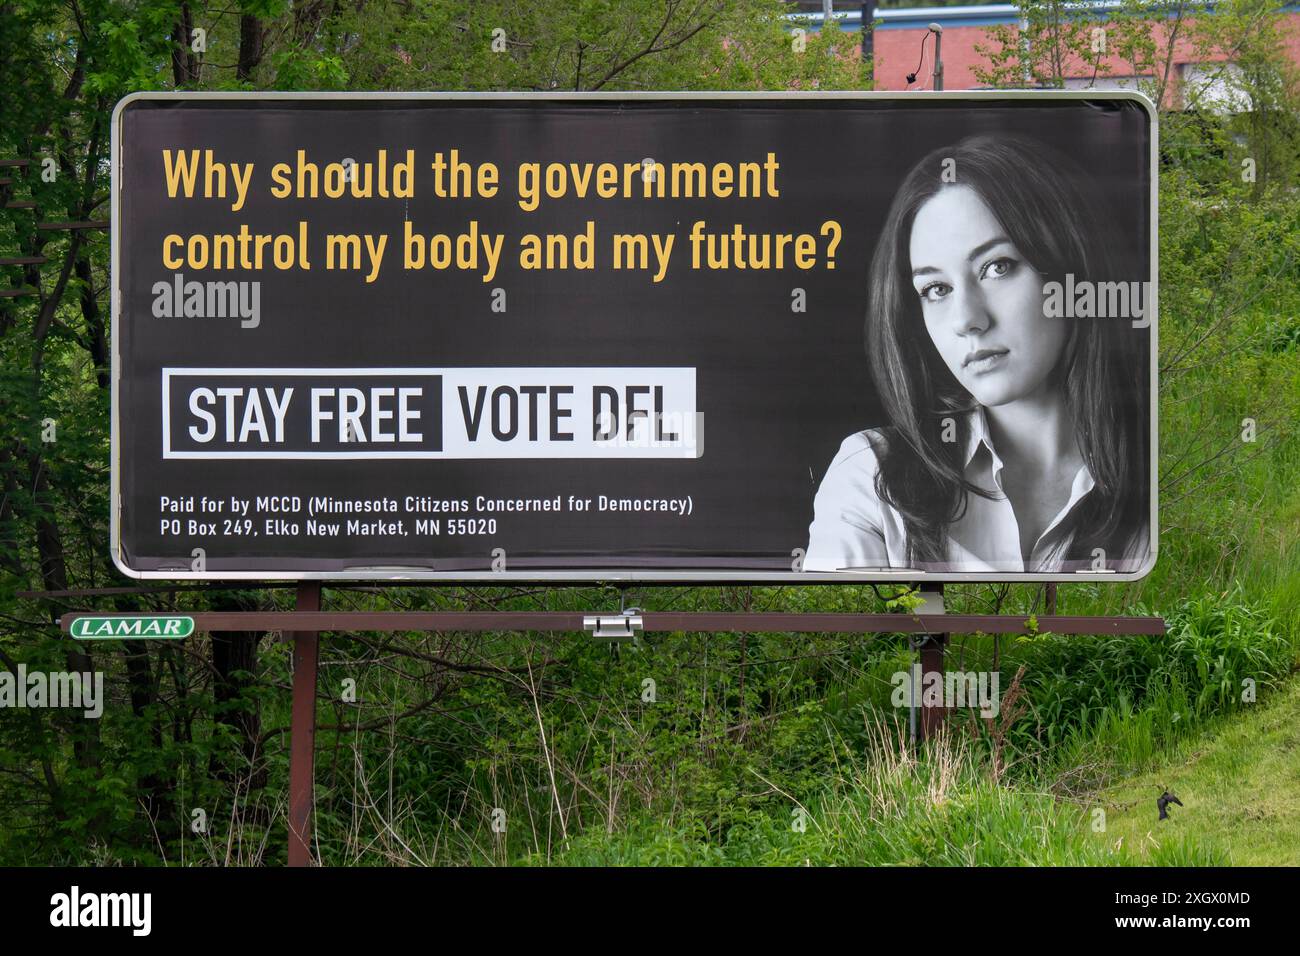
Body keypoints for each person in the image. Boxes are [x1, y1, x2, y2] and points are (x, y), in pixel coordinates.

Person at [805, 134, 1150, 573]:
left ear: (1072, 266)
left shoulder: (1161, 471)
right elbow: (838, 640)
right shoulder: (871, 477)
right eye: (936, 289)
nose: (967, 318)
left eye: (997, 267)